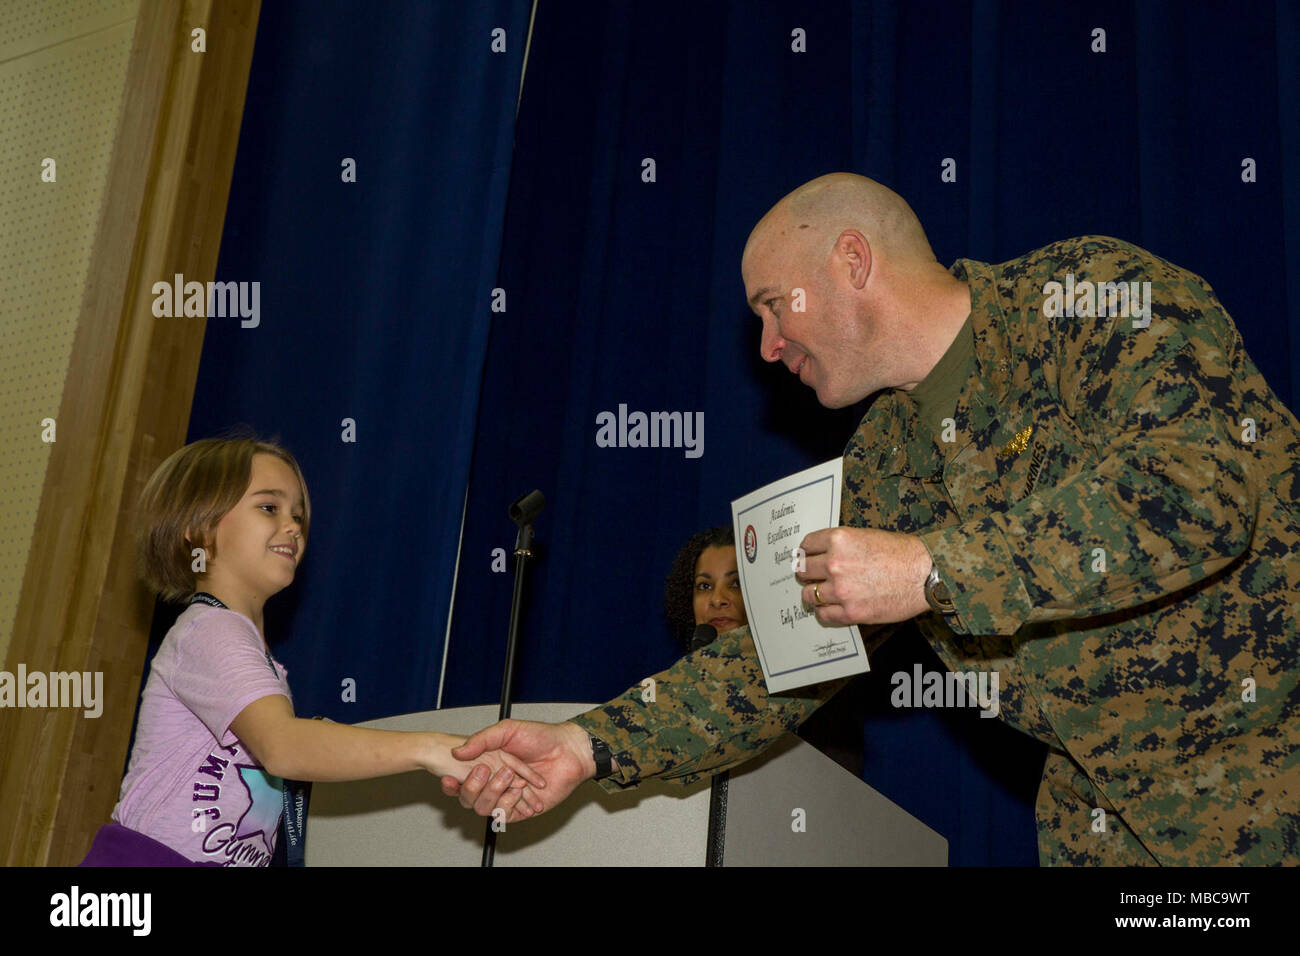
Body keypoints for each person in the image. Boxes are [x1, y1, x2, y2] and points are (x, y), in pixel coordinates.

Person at [443, 172, 1300, 866]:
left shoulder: (1085, 297)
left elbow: (1200, 491)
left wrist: (931, 569)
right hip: (1113, 821)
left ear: (852, 260)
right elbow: (770, 660)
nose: (769, 346)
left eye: (775, 305)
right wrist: (588, 746)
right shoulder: (882, 465)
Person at [80, 435, 543, 866]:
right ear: (197, 528)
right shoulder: (210, 630)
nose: (292, 527)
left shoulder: (256, 658)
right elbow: (283, 747)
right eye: (269, 507)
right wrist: (431, 748)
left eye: (297, 515)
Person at [666, 524, 865, 775]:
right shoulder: (674, 689)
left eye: (736, 583)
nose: (717, 599)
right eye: (704, 586)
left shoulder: (812, 697)